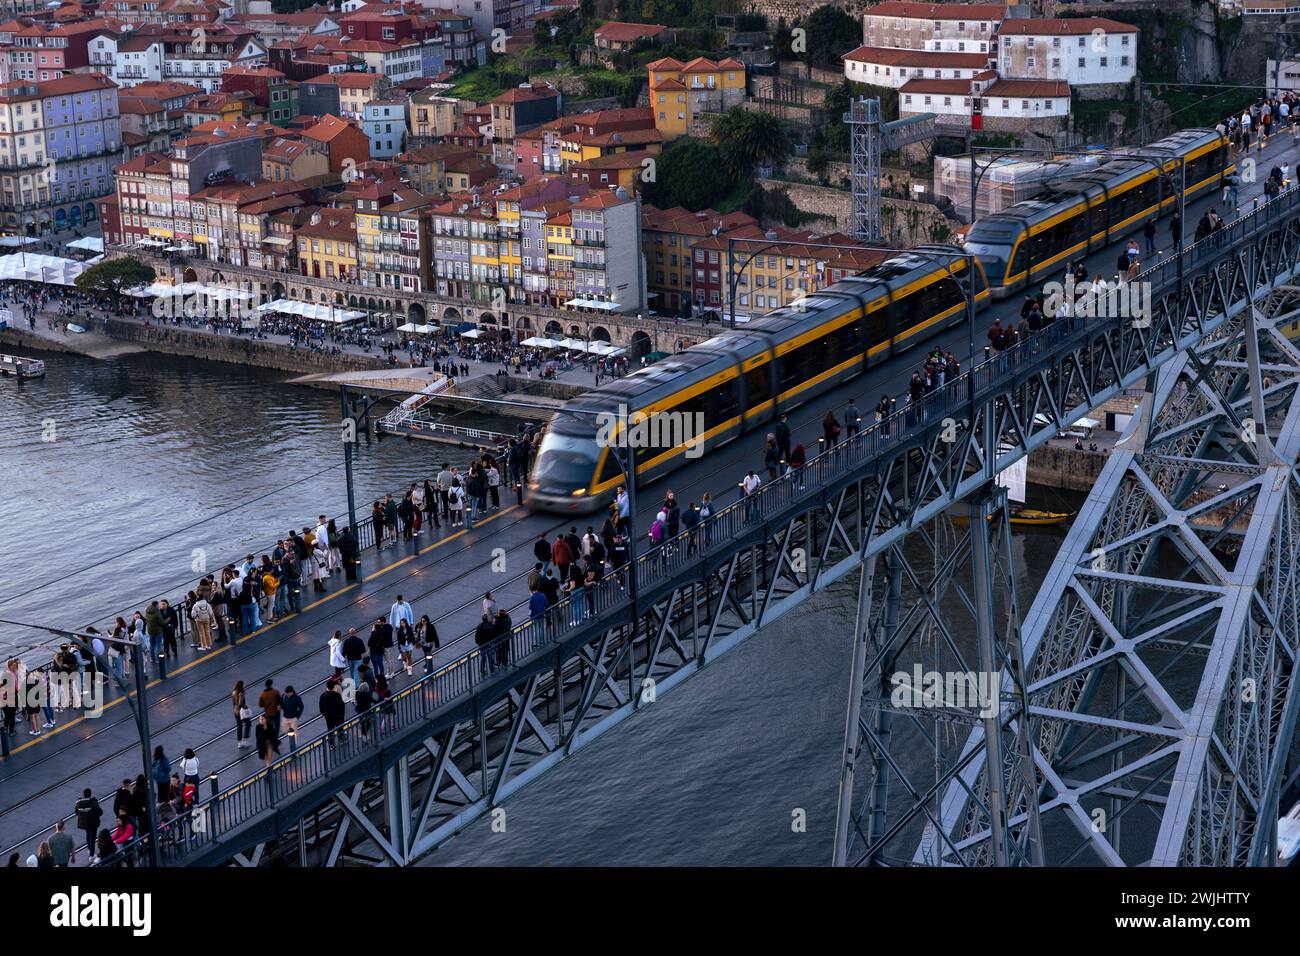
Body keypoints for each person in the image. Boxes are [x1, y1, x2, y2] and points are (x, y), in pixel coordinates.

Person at [74, 788, 102, 859]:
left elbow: (76, 813)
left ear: (84, 794)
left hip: (84, 823)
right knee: (92, 838)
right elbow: (100, 812)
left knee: (88, 835)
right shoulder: (93, 802)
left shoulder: (79, 802)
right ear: (90, 794)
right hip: (93, 823)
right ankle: (91, 855)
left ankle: (89, 849)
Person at [319, 679, 346, 747]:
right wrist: (342, 714)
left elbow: (321, 706)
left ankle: (331, 743)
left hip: (328, 716)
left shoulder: (323, 696)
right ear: (334, 687)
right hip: (337, 715)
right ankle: (341, 739)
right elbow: (341, 706)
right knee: (340, 727)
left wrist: (324, 714)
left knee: (330, 729)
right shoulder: (337, 695)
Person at [232, 681, 252, 748]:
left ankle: (239, 743)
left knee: (239, 726)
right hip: (241, 712)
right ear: (241, 686)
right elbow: (240, 703)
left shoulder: (234, 692)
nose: (244, 686)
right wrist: (246, 707)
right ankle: (245, 741)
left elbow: (234, 703)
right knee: (248, 724)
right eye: (243, 685)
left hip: (235, 711)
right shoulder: (241, 693)